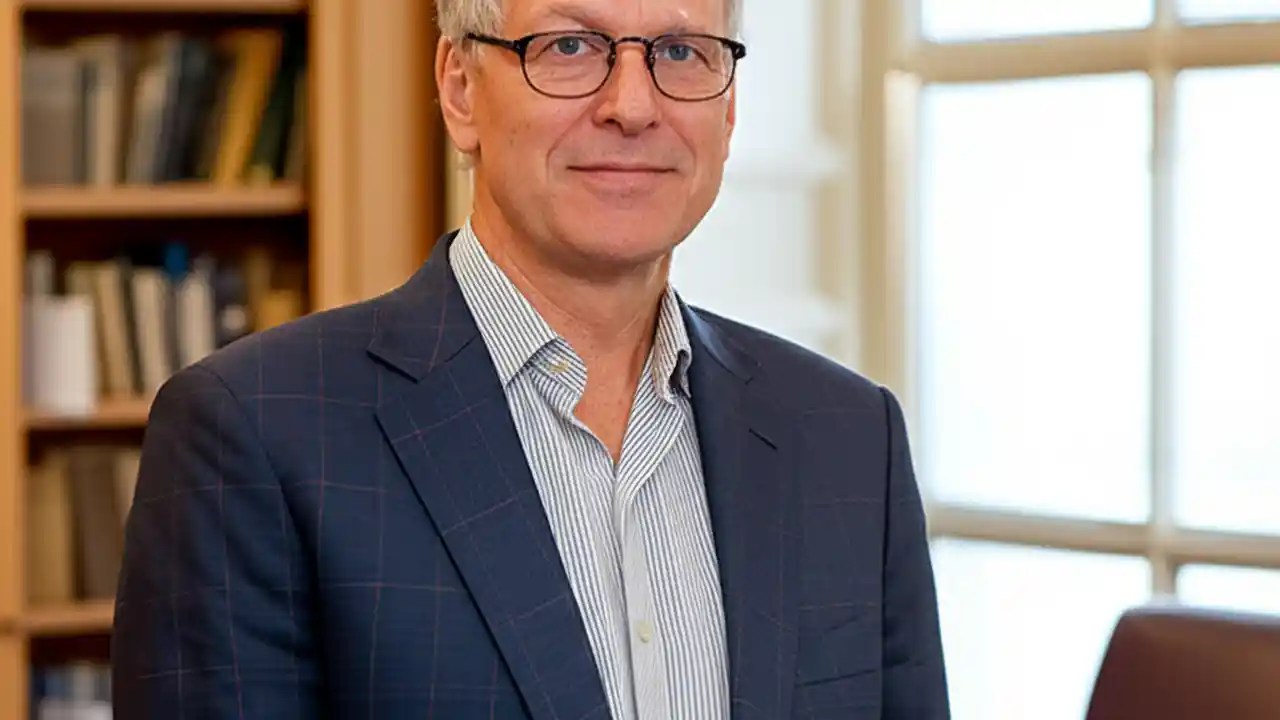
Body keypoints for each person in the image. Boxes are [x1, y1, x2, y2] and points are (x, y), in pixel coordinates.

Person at [111, 0, 950, 717]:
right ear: (460, 88)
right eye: (570, 46)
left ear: (728, 109)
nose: (632, 106)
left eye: (681, 52)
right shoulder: (255, 432)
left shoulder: (849, 437)